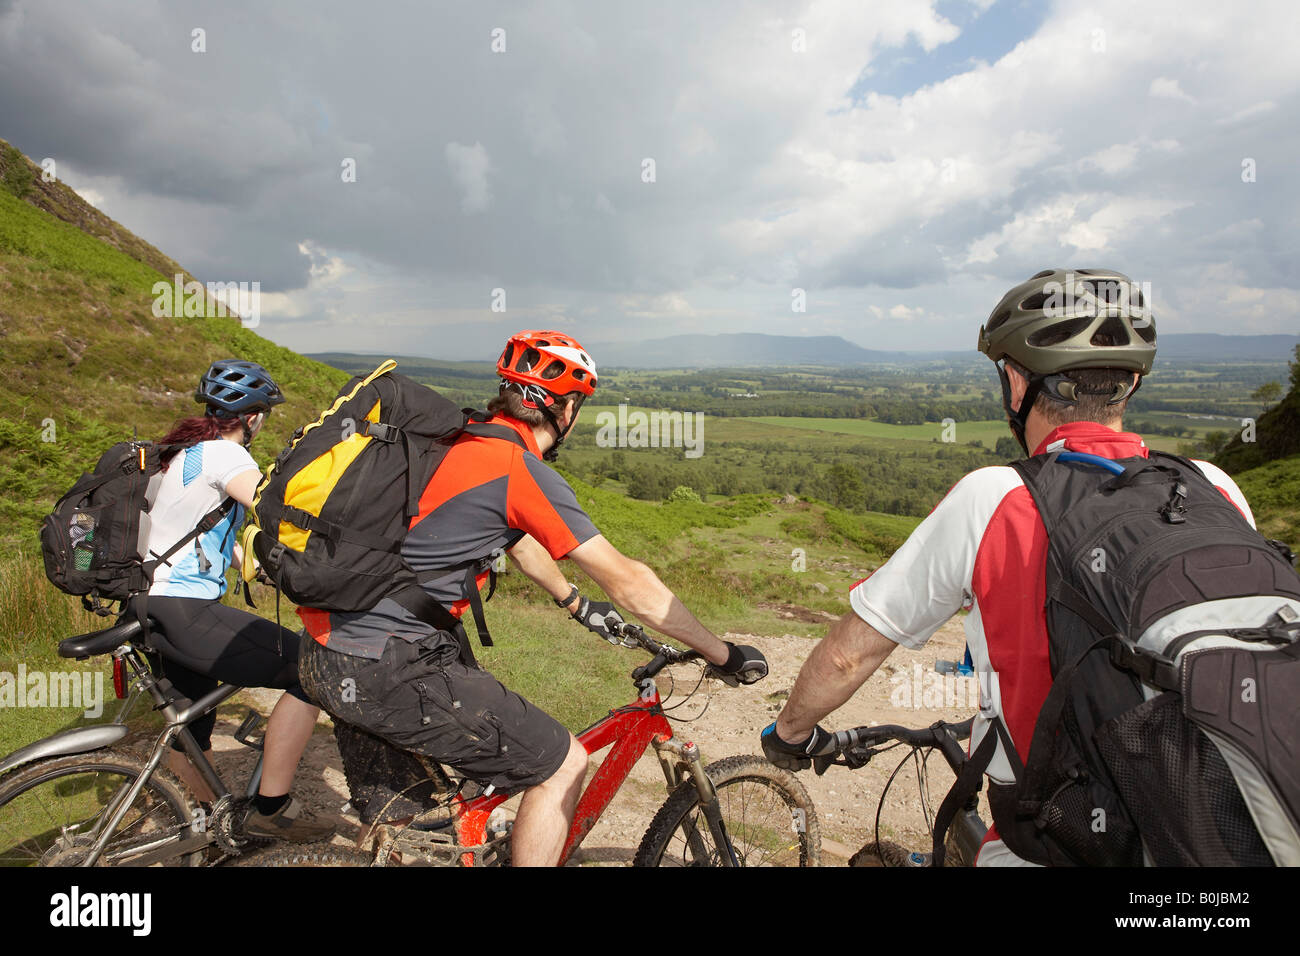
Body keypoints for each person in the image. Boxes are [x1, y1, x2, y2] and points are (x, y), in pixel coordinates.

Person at [761, 269, 1264, 866]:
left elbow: (850, 655)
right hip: (1232, 832)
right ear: (1131, 381)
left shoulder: (993, 497)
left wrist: (788, 733)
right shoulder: (1214, 487)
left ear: (1015, 381)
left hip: (1060, 844)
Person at [298, 330, 768, 866]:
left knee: (409, 820)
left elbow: (516, 540)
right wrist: (720, 652)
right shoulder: (519, 470)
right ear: (565, 408)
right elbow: (629, 582)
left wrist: (573, 601)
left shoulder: (459, 439)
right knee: (563, 763)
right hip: (390, 664)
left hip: (325, 650)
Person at [136, 358, 331, 842]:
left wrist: (248, 557)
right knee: (311, 667)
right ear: (252, 417)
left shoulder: (187, 454)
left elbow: (192, 527)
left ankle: (205, 823)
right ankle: (271, 808)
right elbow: (276, 513)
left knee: (192, 724)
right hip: (186, 610)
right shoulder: (228, 456)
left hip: (150, 606)